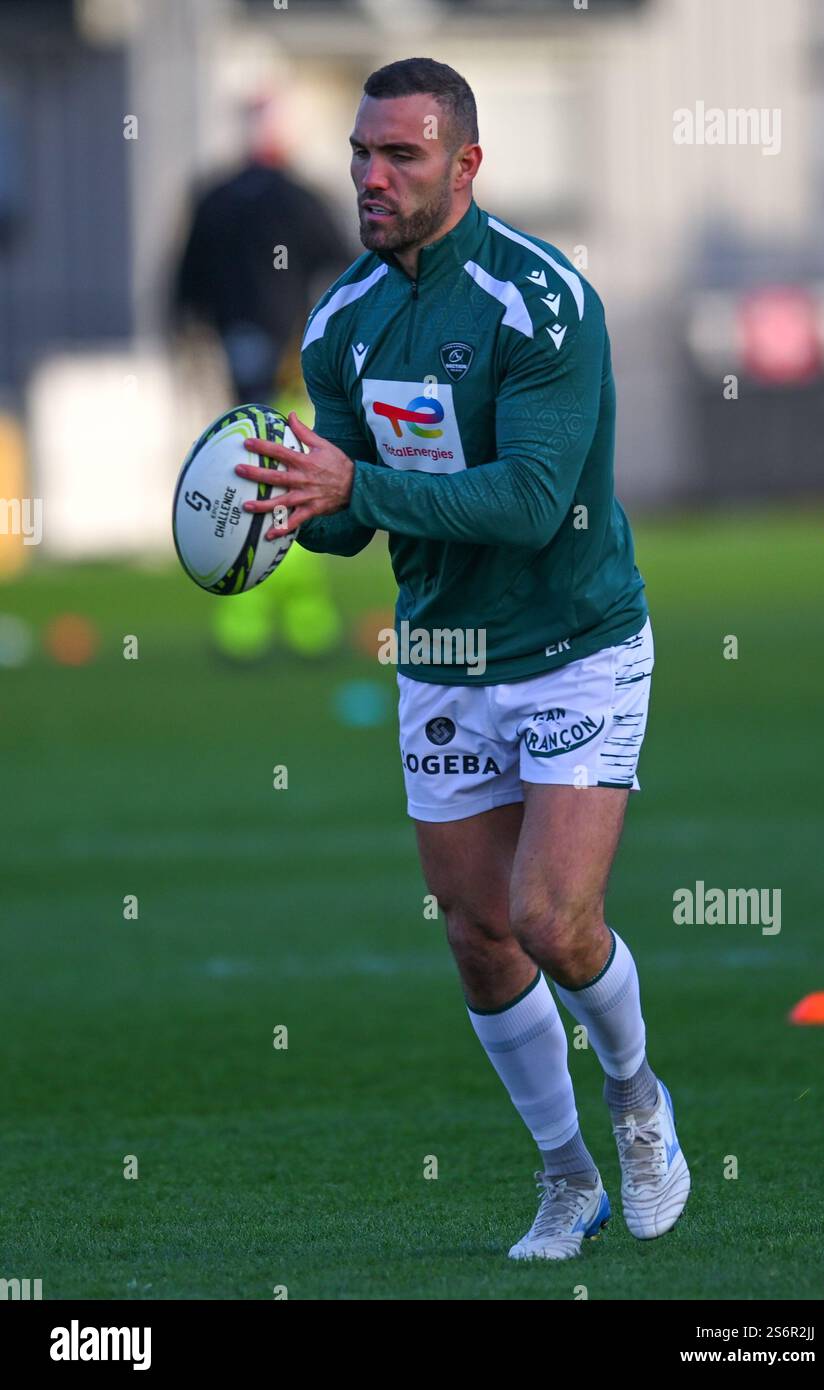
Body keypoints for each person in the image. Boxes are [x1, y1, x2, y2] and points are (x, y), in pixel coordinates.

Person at [235, 57, 690, 1260]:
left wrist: (356, 482)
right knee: (478, 934)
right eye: (360, 154)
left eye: (402, 156)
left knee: (551, 918)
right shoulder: (342, 320)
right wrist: (281, 503)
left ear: (465, 165)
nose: (371, 178)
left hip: (572, 641)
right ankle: (564, 1174)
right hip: (441, 653)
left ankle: (639, 1101)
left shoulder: (539, 302)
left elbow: (536, 500)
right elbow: (348, 514)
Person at [173, 97, 351, 662]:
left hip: (239, 362)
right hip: (291, 360)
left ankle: (244, 618)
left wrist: (191, 344)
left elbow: (184, 286)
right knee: (291, 485)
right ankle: (302, 619)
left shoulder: (216, 197)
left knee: (242, 481)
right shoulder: (302, 198)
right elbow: (351, 272)